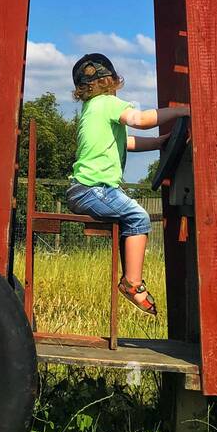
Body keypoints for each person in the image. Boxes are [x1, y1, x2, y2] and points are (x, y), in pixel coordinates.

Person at [65, 53, 189, 316]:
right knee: (138, 217)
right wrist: (181, 110)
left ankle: (131, 279)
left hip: (82, 189)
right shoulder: (108, 102)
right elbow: (141, 120)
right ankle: (132, 283)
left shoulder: (91, 109)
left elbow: (127, 142)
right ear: (112, 80)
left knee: (133, 218)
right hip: (93, 188)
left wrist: (157, 143)